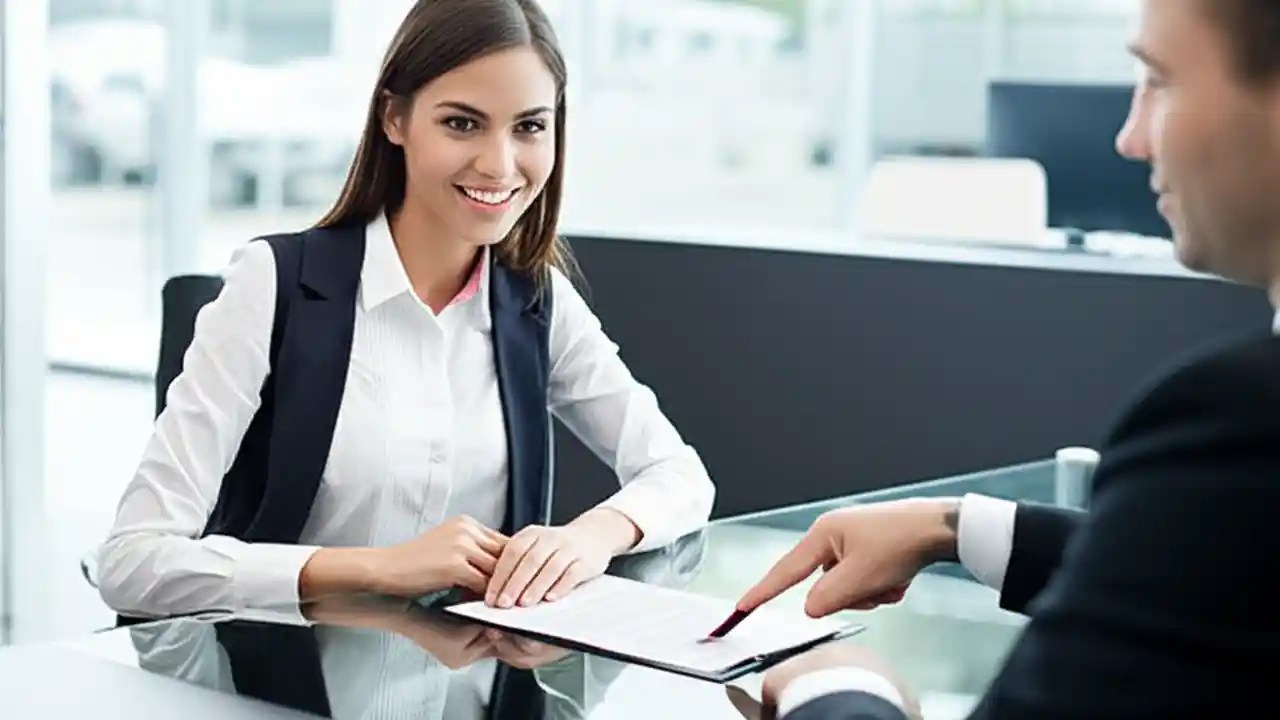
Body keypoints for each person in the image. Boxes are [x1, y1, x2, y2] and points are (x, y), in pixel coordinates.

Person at [734, 0, 1280, 717]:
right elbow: (1222, 571)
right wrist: (953, 528)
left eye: (1160, 80)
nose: (1131, 139)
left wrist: (836, 682)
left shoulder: (1240, 423)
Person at [96, 0, 713, 623]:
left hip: (480, 683)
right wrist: (381, 568)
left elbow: (681, 477)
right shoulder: (272, 284)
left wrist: (591, 536)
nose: (500, 165)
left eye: (529, 127)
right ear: (395, 117)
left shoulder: (537, 299)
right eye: (463, 124)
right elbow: (133, 561)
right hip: (284, 682)